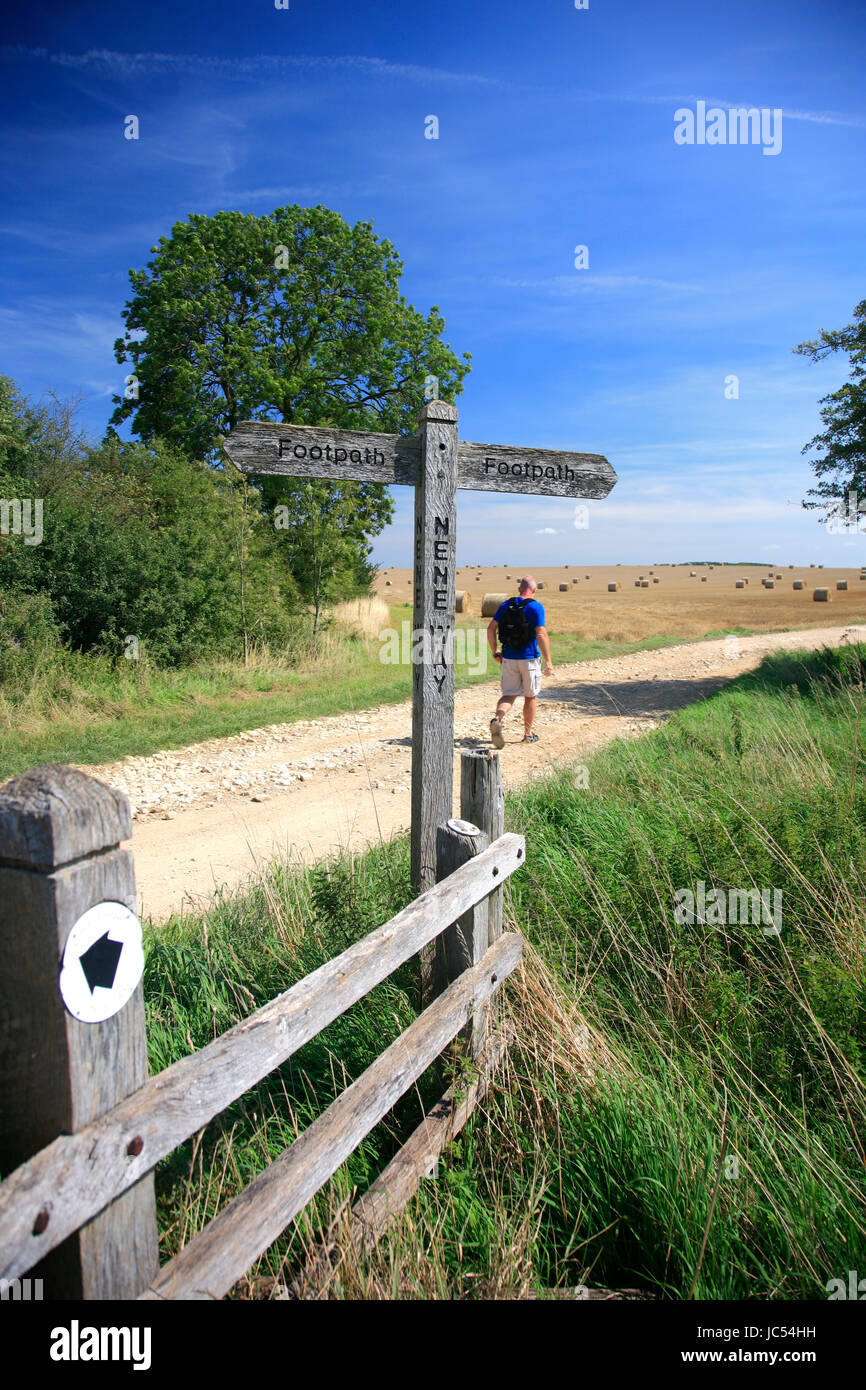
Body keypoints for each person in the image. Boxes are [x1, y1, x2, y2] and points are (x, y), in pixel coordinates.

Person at [486, 576, 553, 746]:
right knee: (530, 697)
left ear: (519, 589)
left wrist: (495, 651)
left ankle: (497, 719)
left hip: (508, 658)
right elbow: (541, 634)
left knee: (509, 695)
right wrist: (549, 661)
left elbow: (491, 628)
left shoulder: (505, 605)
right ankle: (528, 734)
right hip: (529, 659)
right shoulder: (535, 607)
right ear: (534, 590)